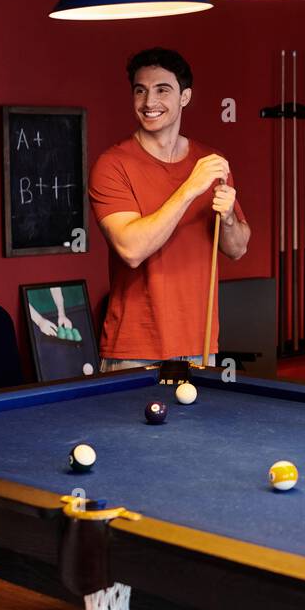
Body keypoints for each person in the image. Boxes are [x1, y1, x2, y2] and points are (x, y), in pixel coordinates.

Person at [90, 48, 251, 373]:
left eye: (162, 89)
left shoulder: (211, 163)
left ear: (185, 97)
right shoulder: (112, 165)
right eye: (140, 90)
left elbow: (237, 248)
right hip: (133, 350)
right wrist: (190, 188)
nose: (149, 102)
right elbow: (131, 249)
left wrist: (229, 217)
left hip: (200, 348)